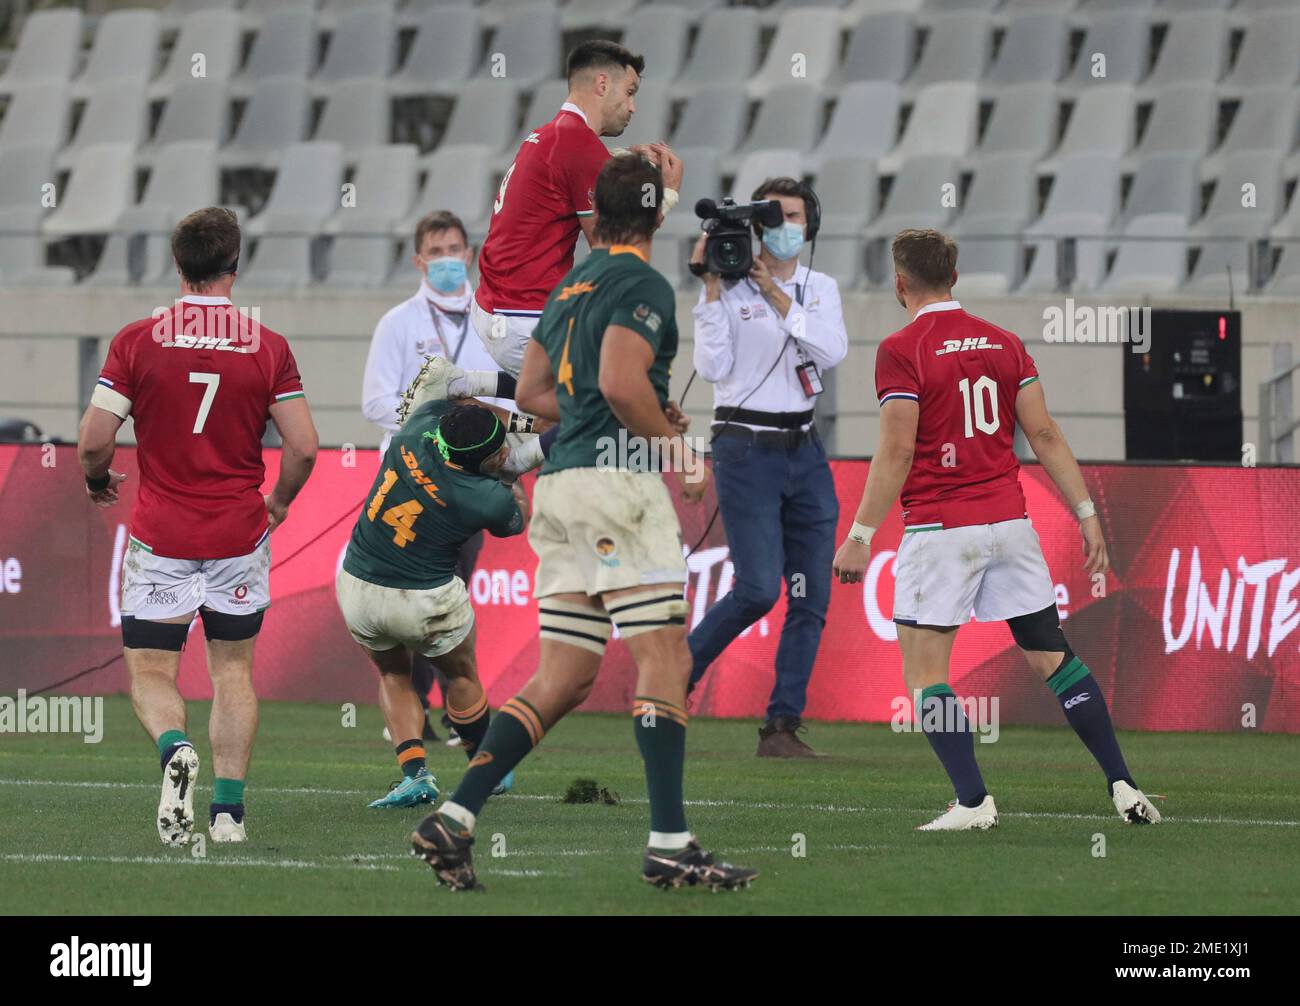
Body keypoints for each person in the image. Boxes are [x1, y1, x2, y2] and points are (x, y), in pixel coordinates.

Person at [411, 154, 757, 892]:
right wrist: (677, 445)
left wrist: (624, 405)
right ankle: (669, 841)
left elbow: (535, 391)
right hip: (614, 482)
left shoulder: (569, 286)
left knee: (564, 676)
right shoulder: (643, 283)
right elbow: (617, 382)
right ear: (658, 215)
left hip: (562, 483)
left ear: (592, 217)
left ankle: (456, 815)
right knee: (667, 659)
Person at [832, 228, 1161, 831]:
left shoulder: (901, 349)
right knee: (1053, 658)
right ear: (955, 278)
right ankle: (1122, 784)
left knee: (927, 673)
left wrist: (860, 532)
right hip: (1011, 524)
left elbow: (898, 448)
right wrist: (1087, 515)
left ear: (899, 282)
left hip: (941, 529)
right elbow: (1045, 436)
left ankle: (973, 801)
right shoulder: (1005, 342)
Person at [77, 206, 319, 845]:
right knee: (232, 672)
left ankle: (174, 748)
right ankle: (229, 815)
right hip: (238, 535)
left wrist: (98, 482)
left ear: (178, 265)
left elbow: (94, 440)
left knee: (152, 671)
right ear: (235, 269)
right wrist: (281, 501)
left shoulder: (139, 340)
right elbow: (303, 447)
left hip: (162, 536)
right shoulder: (267, 346)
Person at [686, 177, 847, 757]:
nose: (786, 227)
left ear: (812, 222)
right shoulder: (726, 289)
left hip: (803, 447)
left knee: (811, 596)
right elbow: (710, 366)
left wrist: (779, 298)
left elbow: (832, 351)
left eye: (797, 216)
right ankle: (678, 675)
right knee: (757, 589)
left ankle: (782, 725)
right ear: (754, 225)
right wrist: (710, 290)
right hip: (744, 445)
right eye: (775, 217)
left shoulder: (820, 287)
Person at [336, 382, 529, 809]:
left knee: (393, 675)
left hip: (360, 586)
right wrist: (516, 461)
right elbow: (517, 518)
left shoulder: (413, 431)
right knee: (460, 675)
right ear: (490, 458)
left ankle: (415, 774)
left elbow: (454, 398)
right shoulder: (486, 498)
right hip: (426, 597)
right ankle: (487, 764)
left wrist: (472, 386)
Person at [361, 209, 512, 746]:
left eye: (456, 250)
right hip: (409, 478)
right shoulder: (398, 323)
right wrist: (435, 417)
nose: (448, 260)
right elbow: (375, 402)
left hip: (469, 479)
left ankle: (457, 709)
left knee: (453, 594)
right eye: (437, 251)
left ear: (470, 255)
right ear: (419, 259)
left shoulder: (493, 319)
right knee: (410, 594)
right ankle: (417, 712)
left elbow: (508, 391)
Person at [470, 39, 683, 380]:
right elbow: (615, 250)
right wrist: (668, 193)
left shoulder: (548, 134)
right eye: (629, 92)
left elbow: (572, 171)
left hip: (496, 306)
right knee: (616, 408)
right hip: (526, 317)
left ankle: (469, 384)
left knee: (563, 414)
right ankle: (466, 396)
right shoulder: (579, 147)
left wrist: (623, 156)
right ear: (602, 84)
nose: (633, 107)